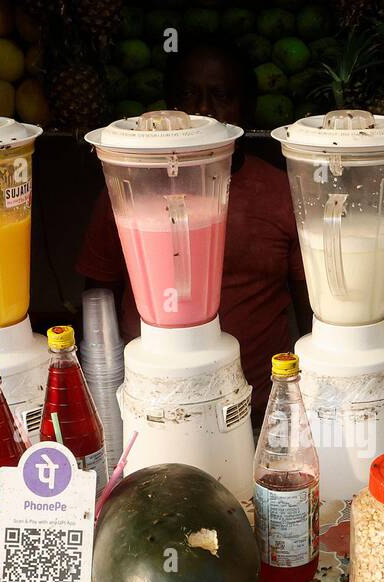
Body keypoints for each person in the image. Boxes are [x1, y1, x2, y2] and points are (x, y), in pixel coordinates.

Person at [77, 43, 309, 420]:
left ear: (246, 110)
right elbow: (97, 298)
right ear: (169, 105)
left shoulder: (282, 193)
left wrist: (301, 403)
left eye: (221, 96)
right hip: (151, 407)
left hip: (260, 411)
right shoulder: (127, 191)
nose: (202, 109)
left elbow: (309, 314)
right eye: (188, 94)